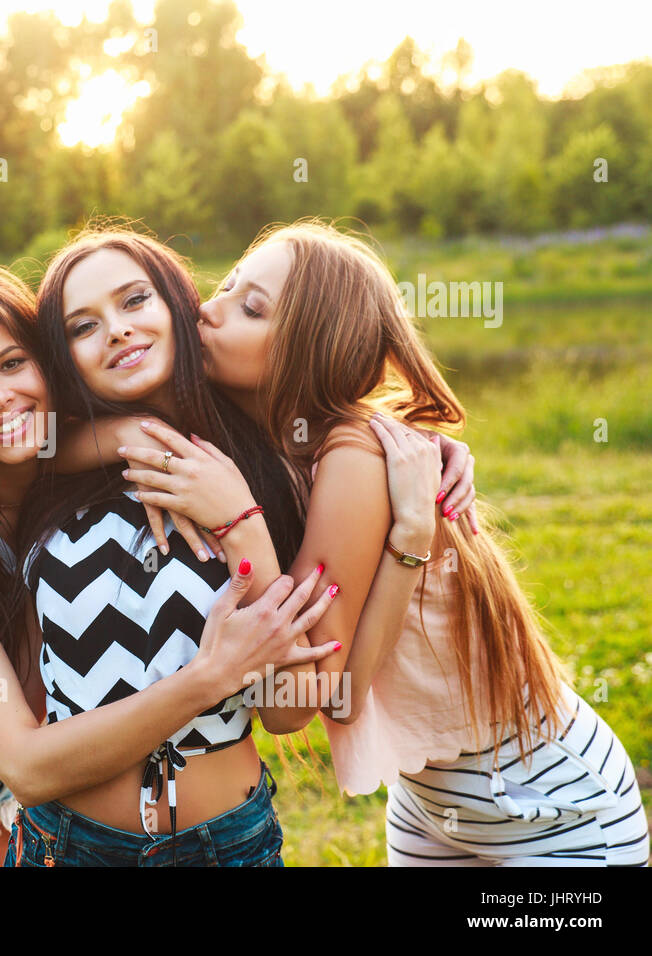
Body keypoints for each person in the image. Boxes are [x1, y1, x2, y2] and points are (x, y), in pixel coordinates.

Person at [134, 218, 648, 866]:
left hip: (554, 808)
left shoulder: (352, 457)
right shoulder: (285, 450)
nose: (209, 312)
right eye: (228, 287)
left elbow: (316, 700)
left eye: (252, 308)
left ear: (306, 349)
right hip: (433, 805)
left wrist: (406, 541)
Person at [0, 263, 336, 867]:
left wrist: (393, 437)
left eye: (11, 364)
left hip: (16, 786)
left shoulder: (62, 454)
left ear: (45, 361)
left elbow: (158, 429)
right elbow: (28, 764)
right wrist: (210, 675)